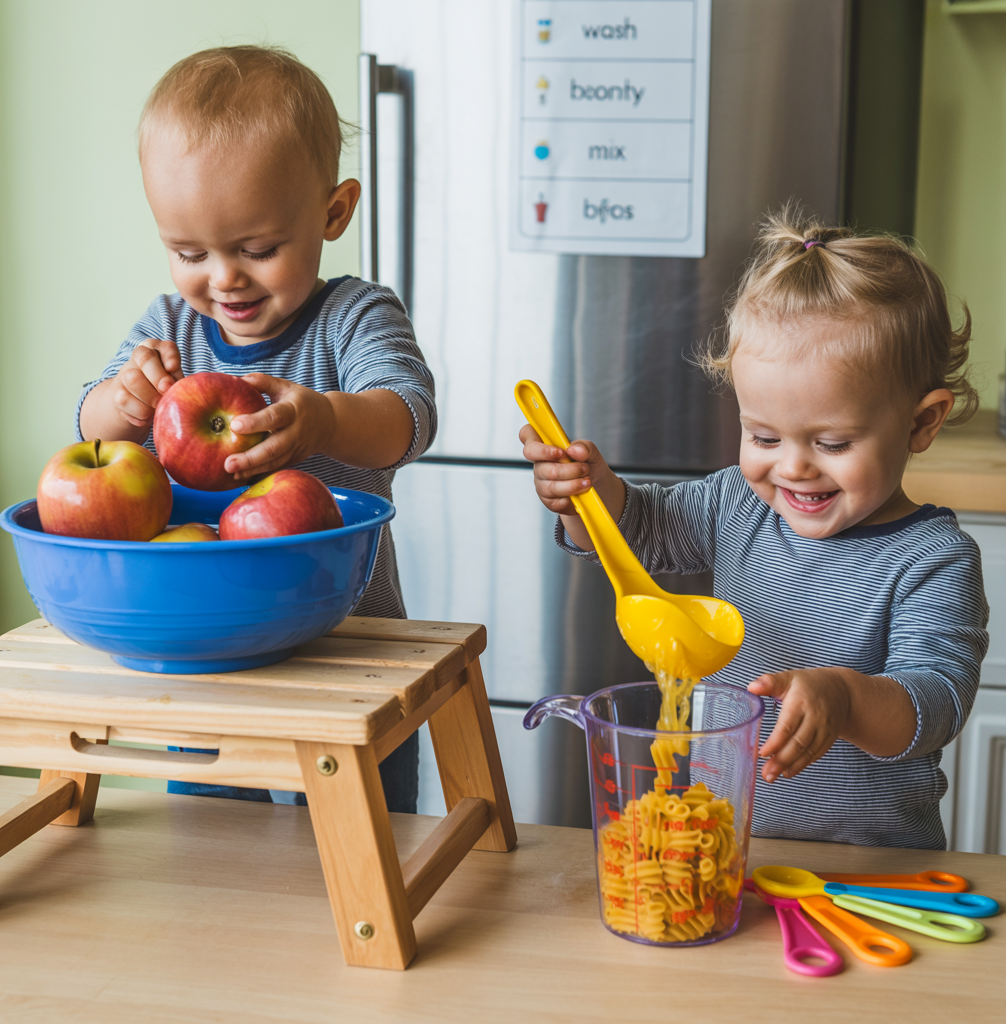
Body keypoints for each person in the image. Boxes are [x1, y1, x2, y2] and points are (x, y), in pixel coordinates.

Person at [521, 209, 989, 849]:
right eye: (763, 435)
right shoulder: (738, 505)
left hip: (878, 872)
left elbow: (934, 704)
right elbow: (640, 530)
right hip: (731, 850)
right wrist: (587, 500)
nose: (793, 465)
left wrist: (844, 699)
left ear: (921, 423)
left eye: (832, 441)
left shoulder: (934, 559)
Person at [77, 45, 436, 811]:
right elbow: (89, 424)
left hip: (349, 650)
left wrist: (324, 420)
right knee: (217, 840)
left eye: (258, 250)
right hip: (212, 644)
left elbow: (408, 417)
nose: (224, 278)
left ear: (334, 212)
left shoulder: (354, 316)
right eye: (188, 252)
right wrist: (125, 400)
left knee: (361, 831)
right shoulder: (170, 326)